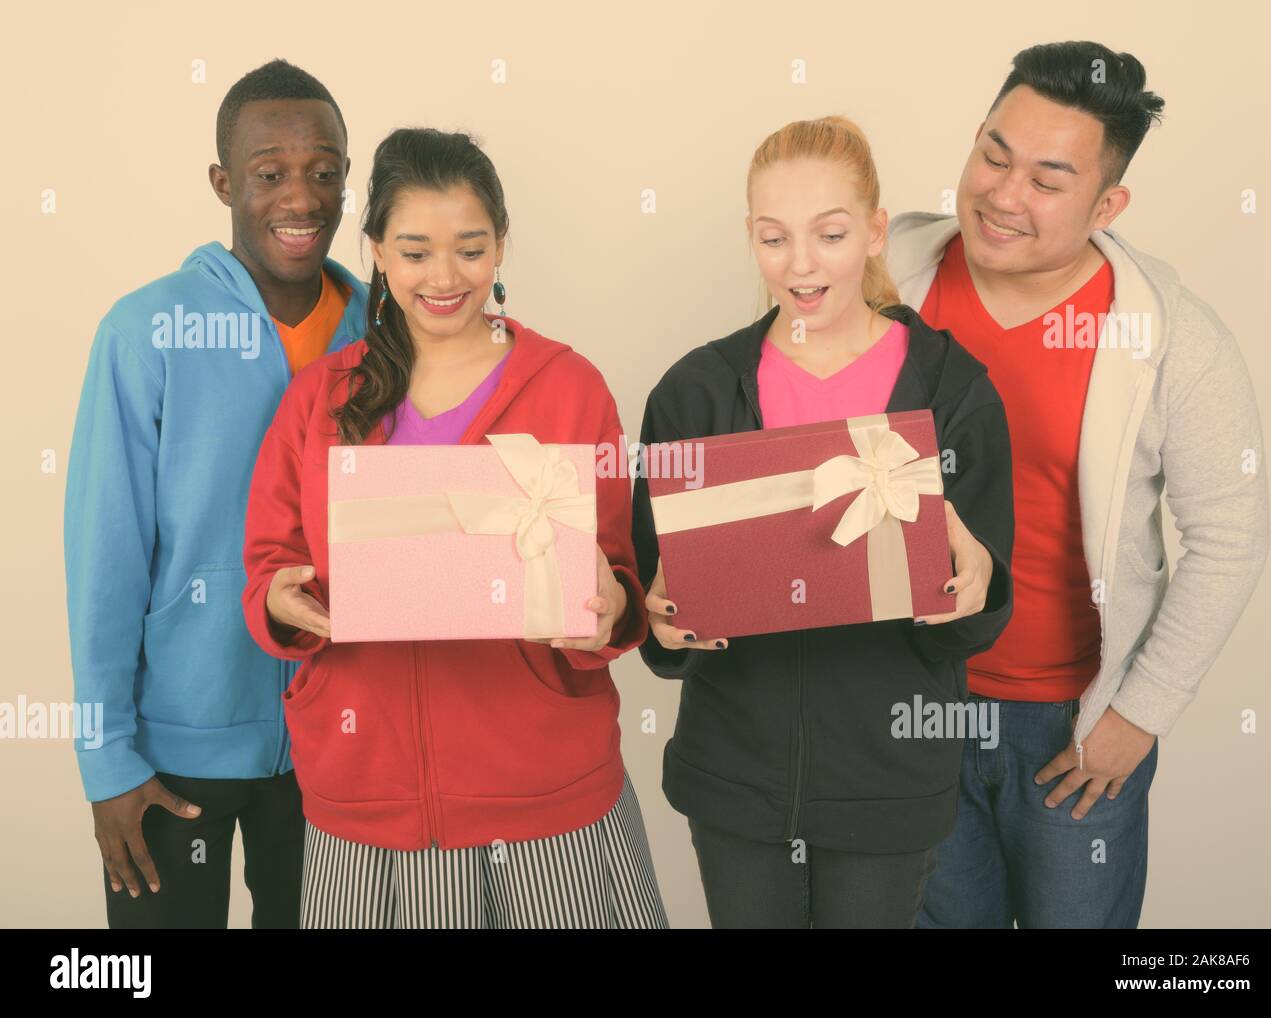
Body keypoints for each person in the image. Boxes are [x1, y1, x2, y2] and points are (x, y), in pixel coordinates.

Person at [241, 127, 669, 929]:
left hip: (548, 805)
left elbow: (619, 571)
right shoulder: (319, 400)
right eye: (414, 251)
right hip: (366, 812)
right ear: (373, 251)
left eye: (470, 250)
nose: (444, 278)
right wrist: (279, 602)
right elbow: (269, 561)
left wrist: (612, 605)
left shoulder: (571, 388)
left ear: (501, 246)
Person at [886, 41, 1270, 929]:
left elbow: (1231, 537)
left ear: (1107, 204)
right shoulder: (885, 279)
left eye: (1048, 180)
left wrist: (1138, 715)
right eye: (993, 153)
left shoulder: (1172, 336)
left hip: (1073, 728)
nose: (1003, 195)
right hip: (915, 706)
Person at [631, 116, 1016, 928]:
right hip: (735, 782)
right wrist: (663, 622)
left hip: (890, 783)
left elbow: (973, 623)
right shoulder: (694, 395)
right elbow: (654, 619)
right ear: (751, 239)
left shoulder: (951, 393)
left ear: (876, 230)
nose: (801, 264)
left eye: (830, 234)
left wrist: (972, 591)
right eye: (774, 239)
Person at [65, 59, 368, 928]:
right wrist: (107, 757)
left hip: (336, 746)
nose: (301, 197)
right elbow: (104, 557)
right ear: (224, 182)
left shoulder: (383, 331)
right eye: (271, 174)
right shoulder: (146, 330)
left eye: (325, 170)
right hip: (173, 752)